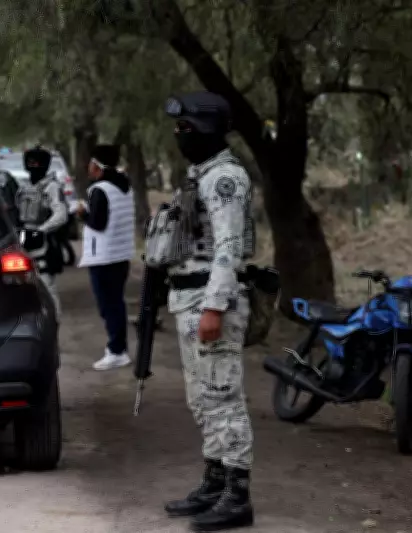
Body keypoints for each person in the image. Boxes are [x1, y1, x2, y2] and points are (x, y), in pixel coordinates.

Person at [161, 91, 256, 531]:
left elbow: (229, 249)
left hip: (210, 299)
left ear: (207, 129)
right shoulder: (200, 175)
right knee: (202, 399)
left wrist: (215, 307)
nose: (180, 136)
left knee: (222, 397)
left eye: (186, 129)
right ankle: (215, 481)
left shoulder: (224, 179)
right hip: (190, 298)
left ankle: (237, 495)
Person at [76, 145, 135, 371]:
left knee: (108, 306)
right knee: (115, 303)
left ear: (98, 165)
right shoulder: (125, 186)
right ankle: (118, 348)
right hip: (120, 254)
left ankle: (117, 351)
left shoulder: (99, 190)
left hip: (104, 256)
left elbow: (98, 224)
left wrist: (83, 215)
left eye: (91, 163)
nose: (88, 168)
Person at [15, 145, 68, 319]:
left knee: (46, 283)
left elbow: (61, 214)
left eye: (35, 162)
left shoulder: (51, 186)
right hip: (23, 237)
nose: (32, 165)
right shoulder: (22, 188)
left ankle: (54, 321)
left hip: (42, 240)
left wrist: (41, 230)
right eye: (29, 162)